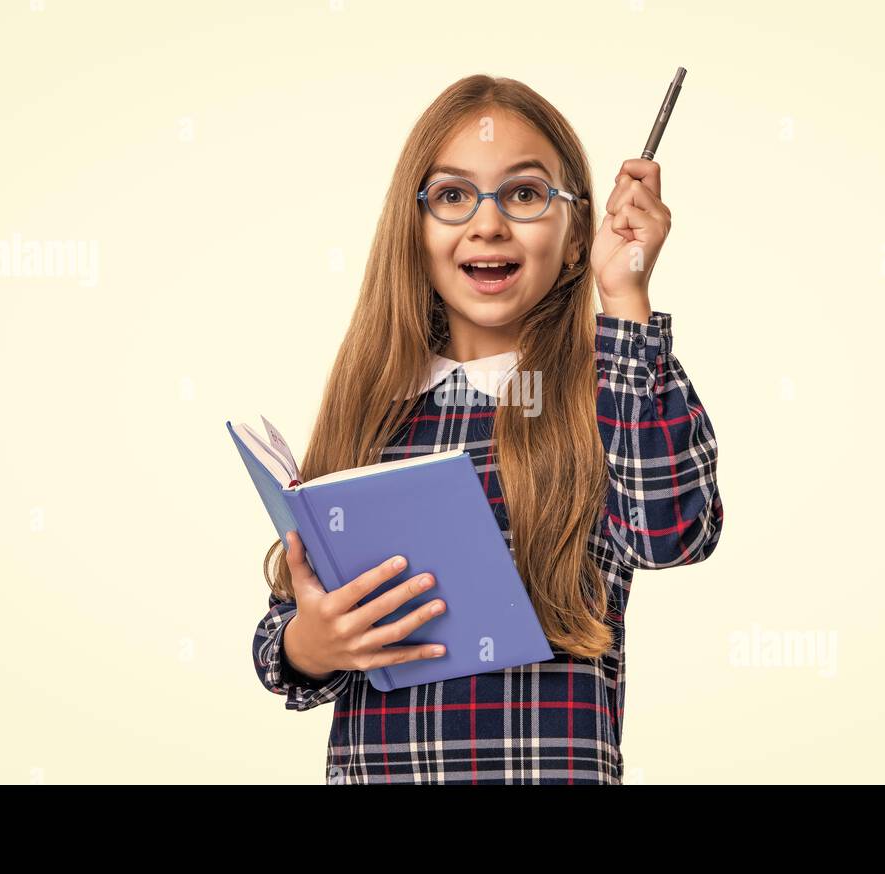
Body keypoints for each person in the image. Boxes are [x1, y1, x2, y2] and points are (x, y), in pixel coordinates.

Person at [253, 74, 723, 784]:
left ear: (575, 240)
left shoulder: (605, 395)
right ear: (414, 233)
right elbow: (280, 637)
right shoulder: (374, 411)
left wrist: (624, 296)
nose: (488, 223)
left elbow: (672, 532)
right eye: (451, 196)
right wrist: (310, 644)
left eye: (526, 194)